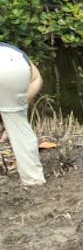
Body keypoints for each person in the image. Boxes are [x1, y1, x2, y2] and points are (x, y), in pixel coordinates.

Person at [0, 43, 46, 186]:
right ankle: (34, 180)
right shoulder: (9, 49)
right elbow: (36, 80)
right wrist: (13, 114)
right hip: (17, 65)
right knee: (20, 130)